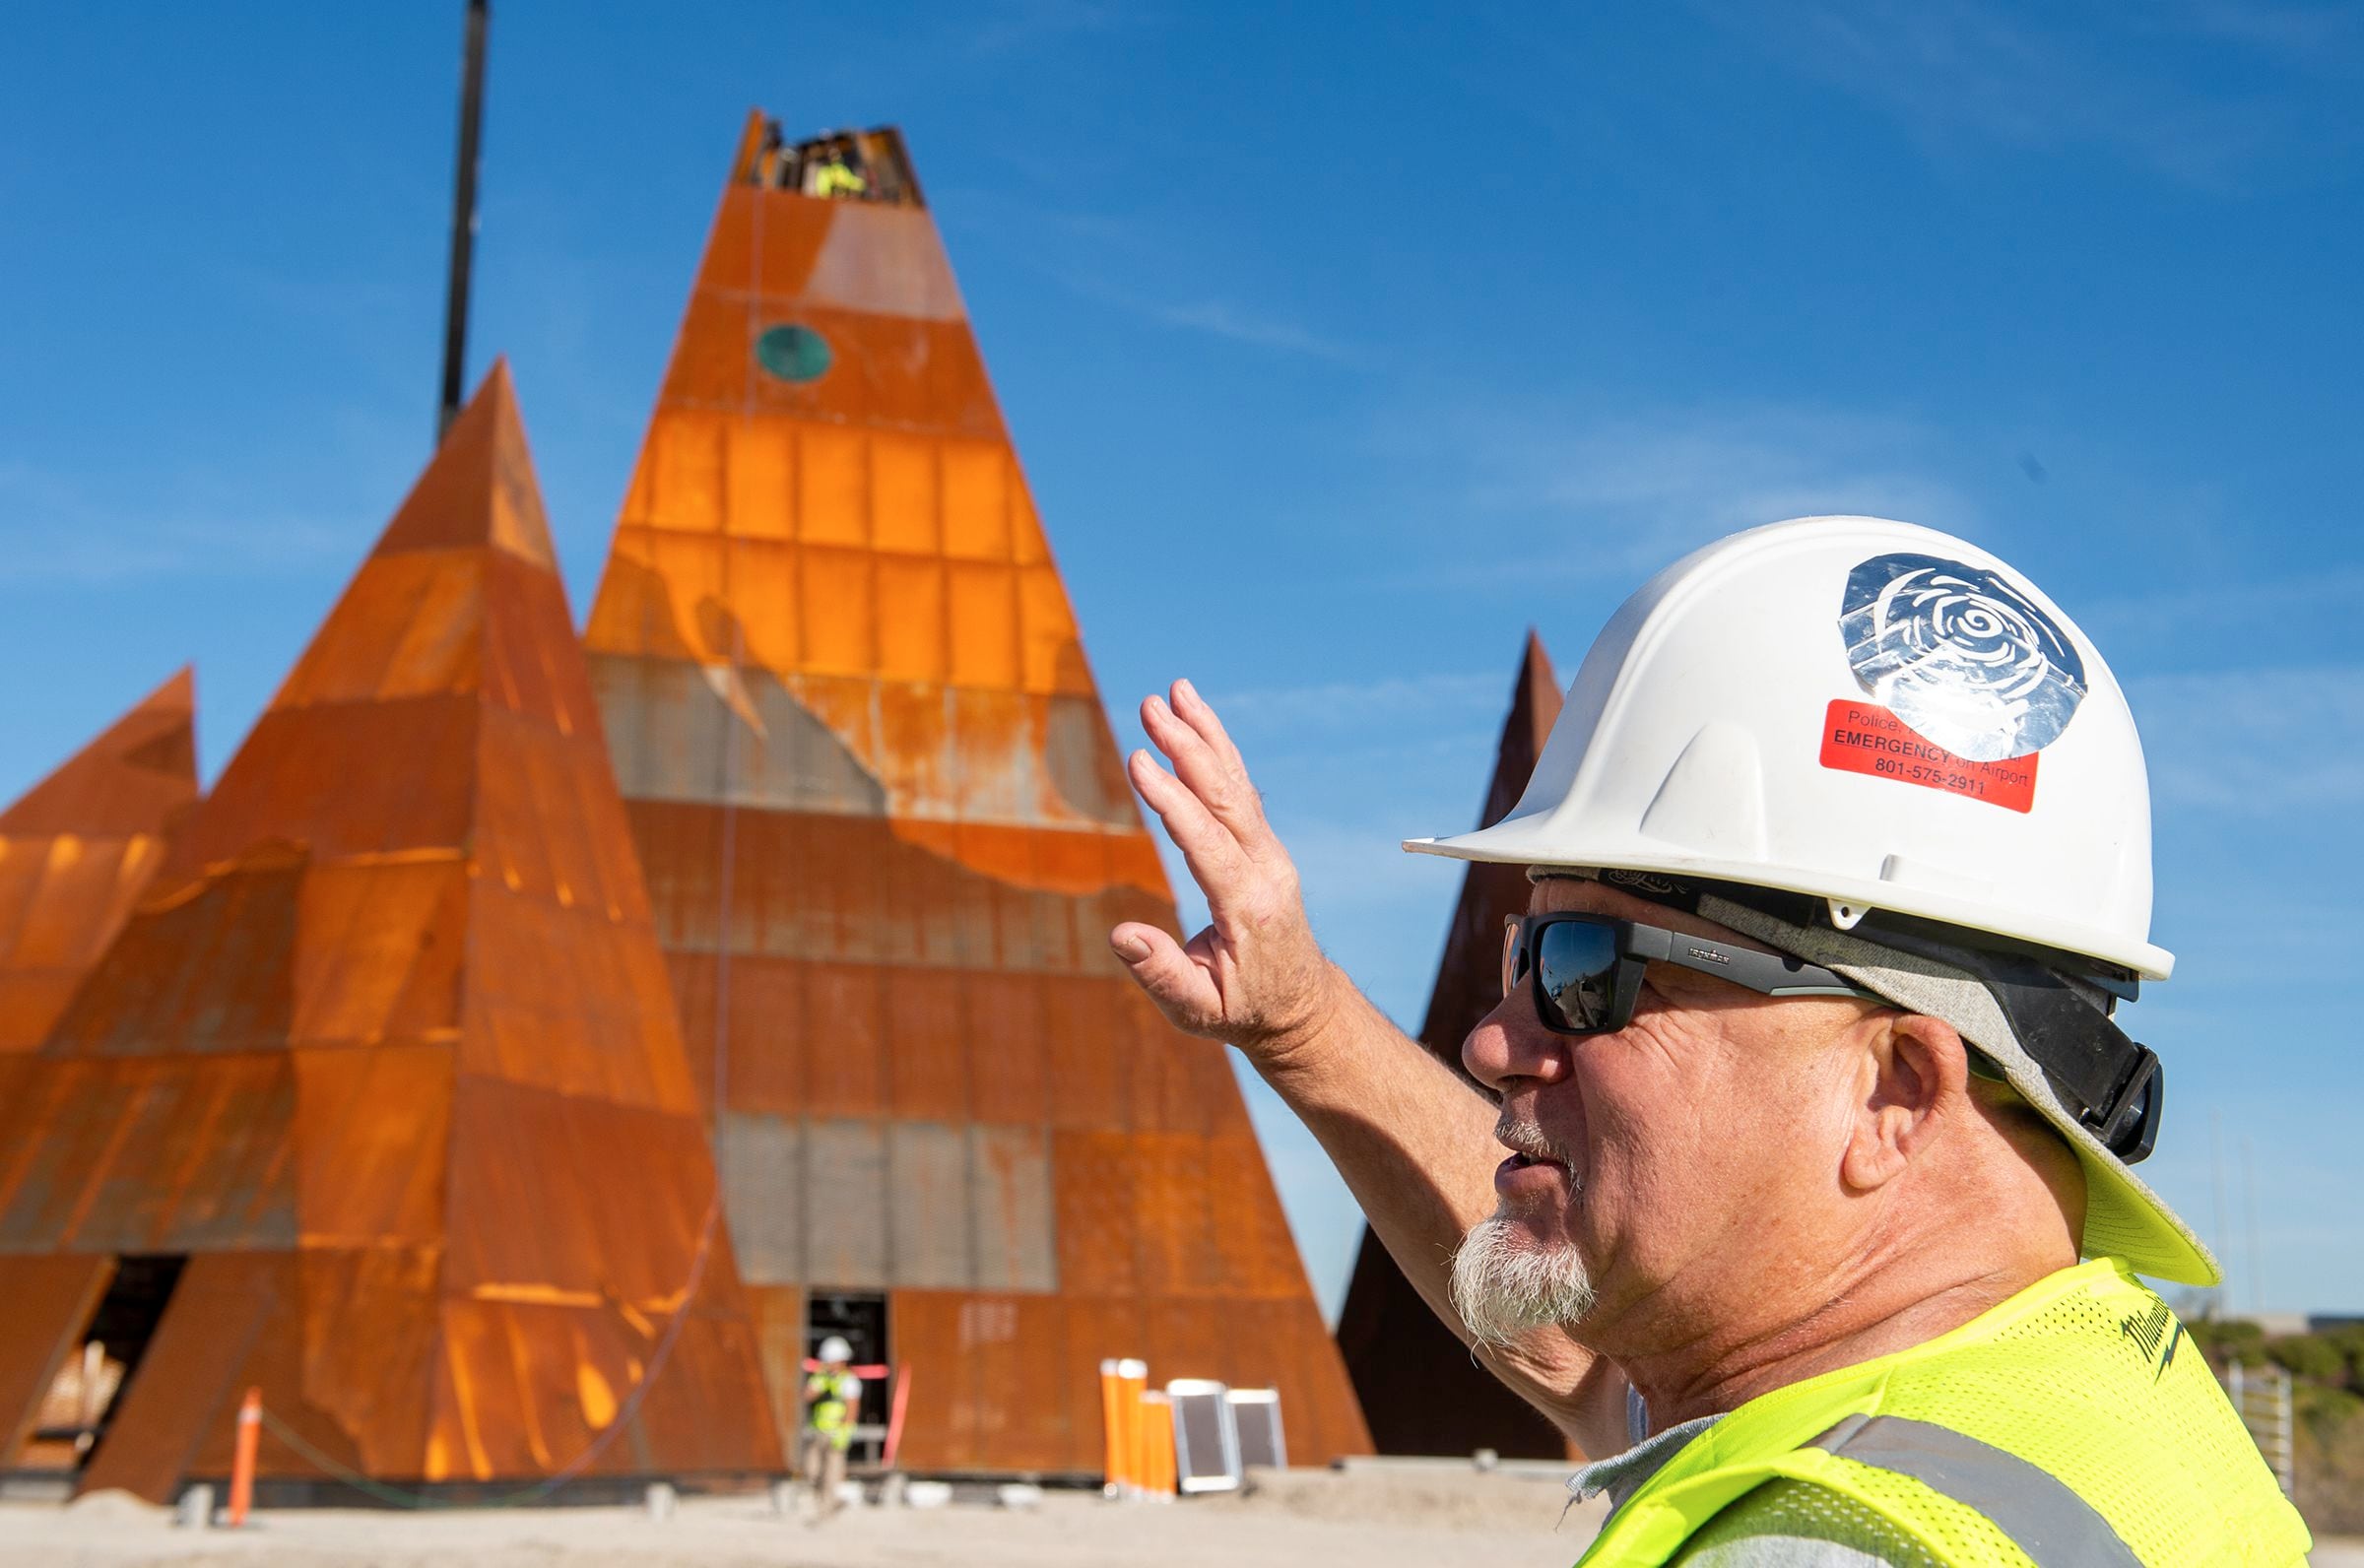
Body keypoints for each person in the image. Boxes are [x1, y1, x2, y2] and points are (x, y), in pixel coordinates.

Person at [1110, 517, 2310, 1565]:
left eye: (1586, 969)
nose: (1493, 1039)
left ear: (1893, 1092)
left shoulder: (1832, 1537)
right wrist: (1303, 1020)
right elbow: (1594, 1364)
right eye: (1522, 956)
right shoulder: (2080, 1392)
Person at [801, 1335, 862, 1518]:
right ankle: (825, 1503)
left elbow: (852, 1408)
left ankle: (826, 1508)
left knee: (831, 1474)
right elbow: (806, 1396)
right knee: (811, 1470)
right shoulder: (822, 1378)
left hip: (836, 1433)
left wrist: (844, 1432)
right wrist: (817, 1381)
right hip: (819, 1431)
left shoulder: (849, 1381)